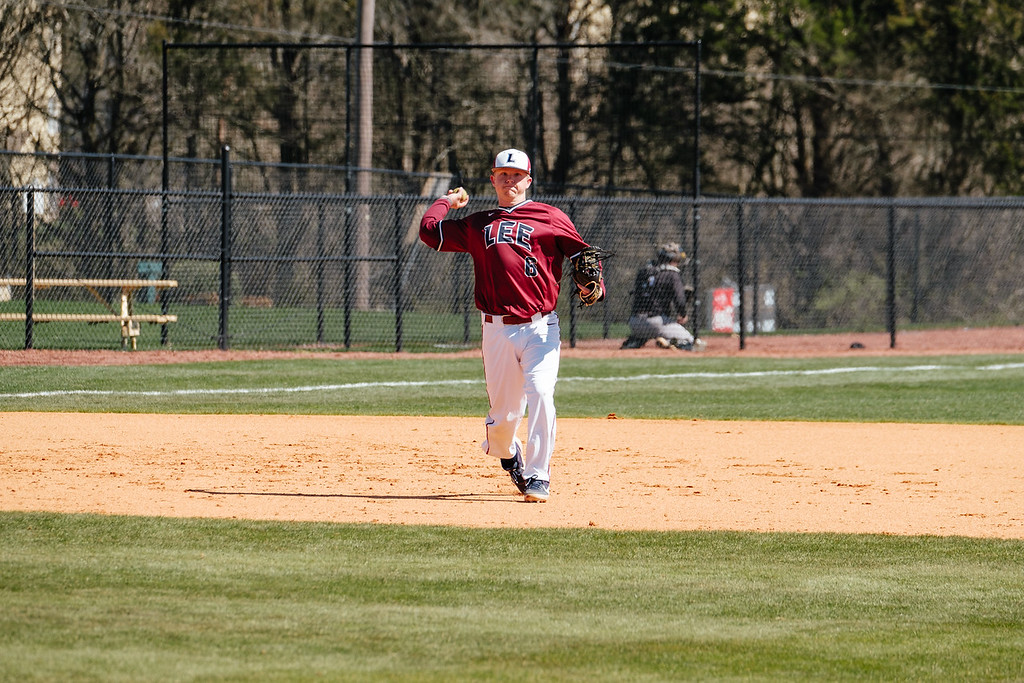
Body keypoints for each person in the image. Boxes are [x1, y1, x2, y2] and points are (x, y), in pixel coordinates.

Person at [418, 148, 604, 503]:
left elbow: (583, 257)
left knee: (541, 393)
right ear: (493, 179)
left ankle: (538, 476)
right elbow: (430, 232)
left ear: (528, 180)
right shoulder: (479, 223)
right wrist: (445, 201)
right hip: (497, 329)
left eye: (517, 174)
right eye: (503, 173)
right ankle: (508, 452)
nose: (509, 179)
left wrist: (593, 285)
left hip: (541, 327)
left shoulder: (549, 216)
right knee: (503, 420)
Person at [621, 242, 700, 350]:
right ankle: (670, 342)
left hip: (634, 322)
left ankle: (635, 341)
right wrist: (682, 314)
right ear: (673, 259)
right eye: (677, 260)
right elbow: (680, 300)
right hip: (656, 322)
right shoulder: (672, 274)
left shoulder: (644, 272)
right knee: (692, 343)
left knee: (647, 331)